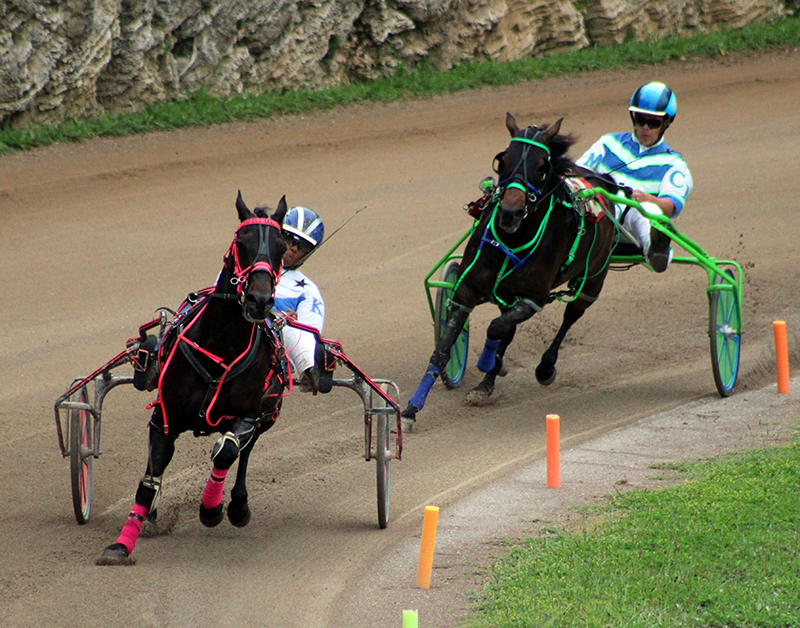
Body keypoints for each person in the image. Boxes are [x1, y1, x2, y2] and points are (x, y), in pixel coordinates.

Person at [575, 81, 693, 272]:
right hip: (597, 214)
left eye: (653, 123)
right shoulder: (608, 143)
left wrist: (647, 199)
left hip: (630, 226)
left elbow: (670, 207)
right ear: (633, 118)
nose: (645, 127)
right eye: (640, 120)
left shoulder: (674, 165)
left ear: (666, 122)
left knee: (648, 211)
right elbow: (576, 173)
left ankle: (657, 253)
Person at [275, 205, 326, 392]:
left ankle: (308, 370)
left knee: (291, 326)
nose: (293, 248)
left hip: (272, 351)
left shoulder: (307, 291)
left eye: (302, 245)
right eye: (289, 238)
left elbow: (309, 333)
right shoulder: (244, 267)